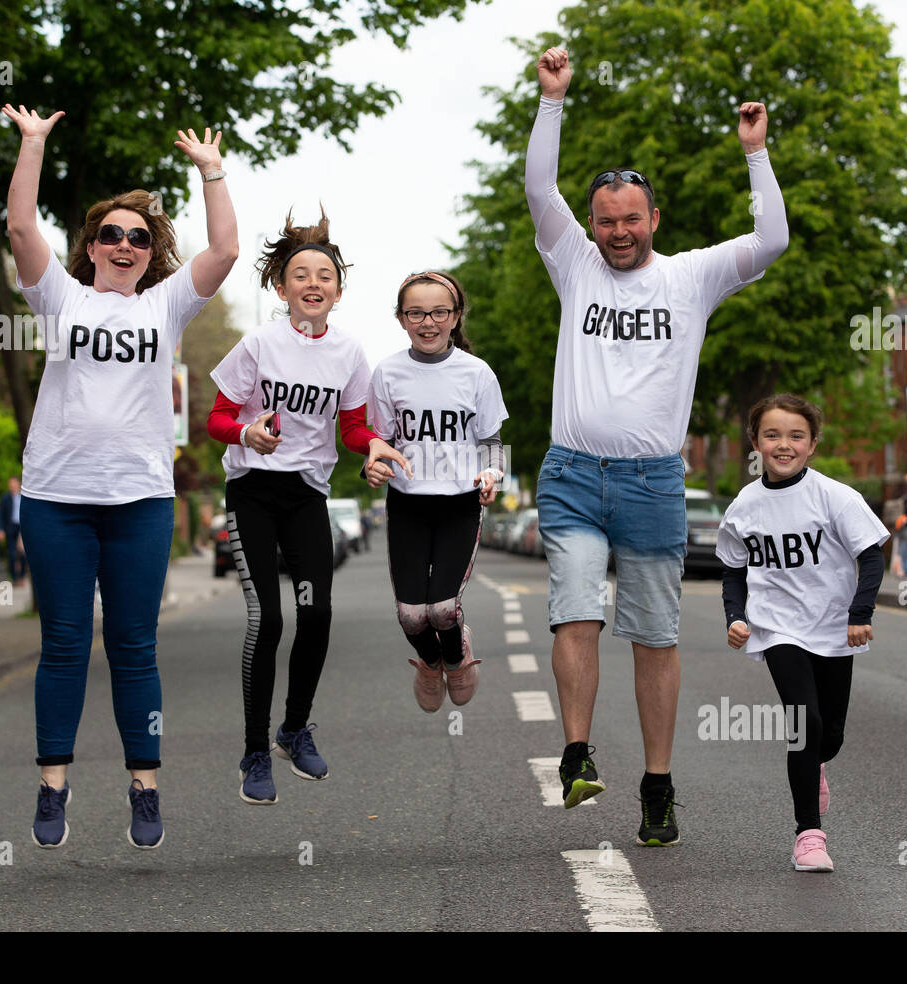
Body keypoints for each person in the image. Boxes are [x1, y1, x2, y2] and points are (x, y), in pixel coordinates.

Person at [526, 46, 788, 845]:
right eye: (605, 222)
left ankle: (658, 785)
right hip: (571, 473)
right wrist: (552, 102)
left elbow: (772, 239)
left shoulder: (693, 278)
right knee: (575, 612)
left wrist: (756, 153)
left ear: (654, 221)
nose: (616, 234)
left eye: (630, 220)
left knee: (654, 636)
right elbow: (541, 188)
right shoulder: (573, 263)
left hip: (651, 485)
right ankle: (576, 754)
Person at [4, 103, 238, 849]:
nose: (126, 244)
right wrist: (33, 144)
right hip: (56, 498)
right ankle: (53, 788)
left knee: (135, 646)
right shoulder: (58, 296)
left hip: (138, 500)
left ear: (149, 251)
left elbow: (227, 251)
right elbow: (17, 228)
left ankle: (145, 788)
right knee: (66, 643)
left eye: (139, 237)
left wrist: (211, 171)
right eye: (113, 234)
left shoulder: (166, 307)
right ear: (93, 245)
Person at [206, 209, 407, 807]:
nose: (313, 283)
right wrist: (248, 435)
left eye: (325, 274)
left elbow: (348, 428)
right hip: (252, 492)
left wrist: (371, 443)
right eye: (300, 274)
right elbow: (216, 418)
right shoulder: (258, 345)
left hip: (306, 496)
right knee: (267, 619)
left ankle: (293, 729)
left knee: (316, 613)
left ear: (338, 291)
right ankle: (252, 752)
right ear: (281, 287)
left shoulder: (350, 353)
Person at [717, 395, 888, 872]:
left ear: (813, 444)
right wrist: (735, 615)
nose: (783, 445)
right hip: (777, 629)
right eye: (772, 435)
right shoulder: (745, 504)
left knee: (829, 733)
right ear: (755, 443)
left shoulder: (835, 497)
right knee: (804, 722)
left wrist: (860, 612)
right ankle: (808, 836)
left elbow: (871, 556)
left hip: (833, 626)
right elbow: (733, 569)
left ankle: (819, 763)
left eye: (796, 436)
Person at [365, 270, 508, 712]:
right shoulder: (387, 373)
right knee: (411, 614)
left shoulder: (477, 374)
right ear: (401, 318)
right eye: (416, 313)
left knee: (443, 608)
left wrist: (493, 476)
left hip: (459, 504)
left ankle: (457, 656)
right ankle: (431, 664)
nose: (428, 322)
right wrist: (372, 468)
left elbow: (492, 445)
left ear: (455, 316)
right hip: (407, 502)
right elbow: (378, 444)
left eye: (439, 312)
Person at [0, 476, 27, 583]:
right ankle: (14, 578)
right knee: (12, 554)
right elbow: (0, 515)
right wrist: (0, 529)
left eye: (13, 483)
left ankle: (22, 576)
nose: (11, 485)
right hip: (10, 528)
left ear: (18, 484)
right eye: (10, 483)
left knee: (23, 553)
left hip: (22, 528)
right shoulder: (6, 498)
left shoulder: (24, 496)